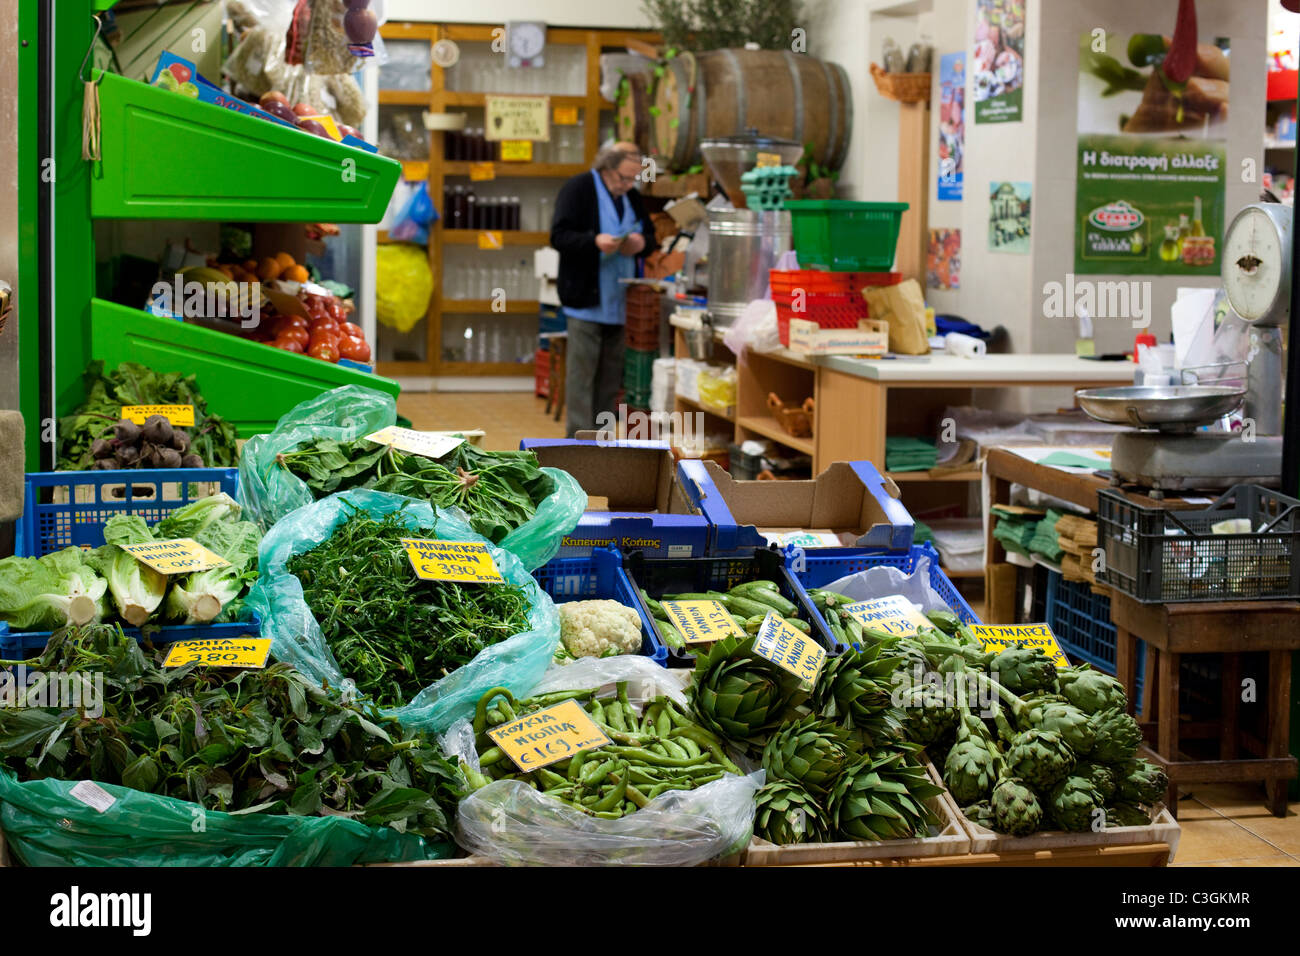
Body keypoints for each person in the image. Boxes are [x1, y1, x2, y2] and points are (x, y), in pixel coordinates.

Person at [549, 142, 655, 437]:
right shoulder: (578, 189)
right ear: (607, 169)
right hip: (585, 302)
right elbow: (559, 236)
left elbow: (650, 236)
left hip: (620, 304)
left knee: (610, 383)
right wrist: (593, 241)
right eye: (624, 177)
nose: (629, 184)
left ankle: (603, 447)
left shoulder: (631, 197)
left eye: (634, 179)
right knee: (582, 380)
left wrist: (641, 244)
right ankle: (578, 448)